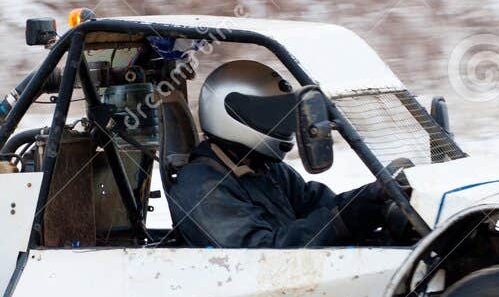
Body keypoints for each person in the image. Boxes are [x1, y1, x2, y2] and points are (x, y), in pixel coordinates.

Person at [167, 60, 399, 248]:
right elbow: (259, 257)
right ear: (231, 114)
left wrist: (375, 197)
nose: (280, 124)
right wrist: (342, 221)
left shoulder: (265, 168)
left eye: (282, 113)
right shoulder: (202, 185)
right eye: (269, 114)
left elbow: (320, 207)